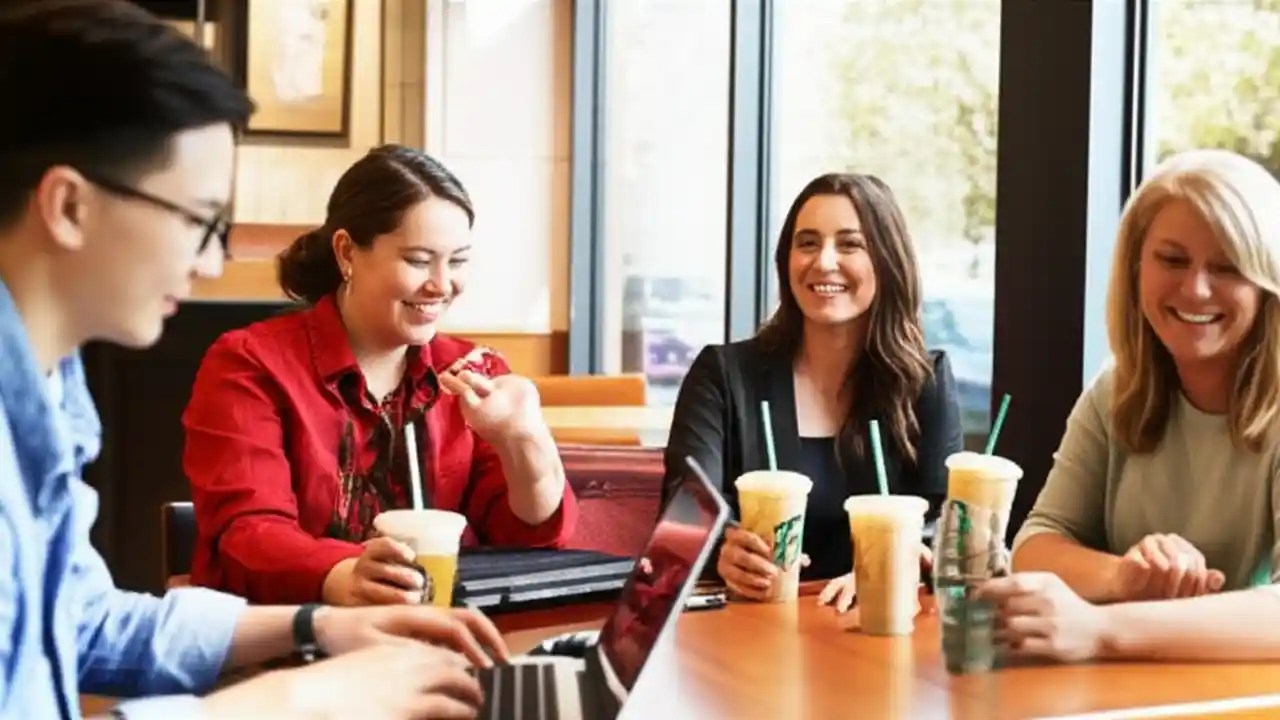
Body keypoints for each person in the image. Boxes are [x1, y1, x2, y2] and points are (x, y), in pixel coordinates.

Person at [0, 2, 510, 718]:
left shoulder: (51, 387)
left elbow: (83, 621)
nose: (212, 262)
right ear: (69, 206)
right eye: (198, 220)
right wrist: (301, 699)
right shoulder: (248, 360)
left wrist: (321, 628)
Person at [182, 144, 577, 606]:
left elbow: (529, 542)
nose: (442, 283)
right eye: (418, 260)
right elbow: (246, 533)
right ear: (347, 252)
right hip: (288, 639)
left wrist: (523, 439)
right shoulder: (250, 364)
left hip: (436, 638)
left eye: (458, 260)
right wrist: (343, 573)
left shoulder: (472, 372)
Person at [989, 148, 1280, 663]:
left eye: (1228, 267)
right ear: (1135, 266)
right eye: (1172, 260)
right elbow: (1035, 546)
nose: (1195, 289)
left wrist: (1101, 629)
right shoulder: (1115, 389)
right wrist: (1126, 576)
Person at [662, 172, 963, 607]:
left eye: (849, 244)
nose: (824, 262)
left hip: (878, 633)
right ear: (786, 261)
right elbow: (683, 512)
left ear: (887, 261)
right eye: (807, 243)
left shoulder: (924, 380)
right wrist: (722, 550)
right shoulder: (724, 375)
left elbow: (948, 521)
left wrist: (897, 562)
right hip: (751, 633)